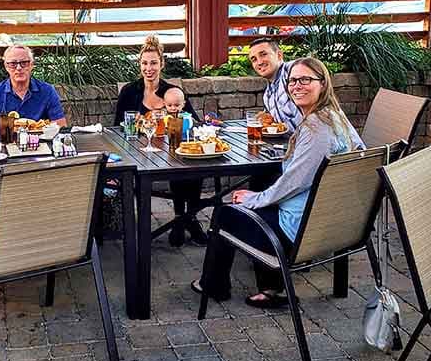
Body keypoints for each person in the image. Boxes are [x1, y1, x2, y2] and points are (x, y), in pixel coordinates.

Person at [194, 57, 364, 308]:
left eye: (305, 80)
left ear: (323, 84)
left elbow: (294, 182)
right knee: (263, 194)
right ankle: (271, 288)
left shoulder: (315, 128)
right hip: (332, 224)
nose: (297, 86)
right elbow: (361, 152)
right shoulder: (336, 117)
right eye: (292, 81)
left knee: (225, 212)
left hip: (297, 232)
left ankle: (213, 286)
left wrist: (255, 199)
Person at [114, 35, 207, 247]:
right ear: (139, 64)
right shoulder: (130, 91)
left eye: (154, 63)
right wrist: (138, 124)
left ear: (162, 64)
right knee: (177, 165)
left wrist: (173, 117)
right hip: (139, 151)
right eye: (145, 63)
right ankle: (182, 220)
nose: (149, 68)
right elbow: (118, 125)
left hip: (170, 149)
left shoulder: (172, 92)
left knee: (192, 165)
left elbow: (194, 121)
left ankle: (186, 218)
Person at [0, 45, 66, 139]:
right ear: (6, 66)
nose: (19, 68)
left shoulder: (47, 91)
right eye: (13, 64)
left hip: (40, 144)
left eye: (24, 63)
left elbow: (60, 125)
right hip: (4, 145)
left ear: (32, 65)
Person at [248, 37, 302, 132]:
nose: (259, 62)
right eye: (254, 59)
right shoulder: (267, 95)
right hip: (287, 140)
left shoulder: (291, 71)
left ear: (279, 55)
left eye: (263, 54)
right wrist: (267, 118)